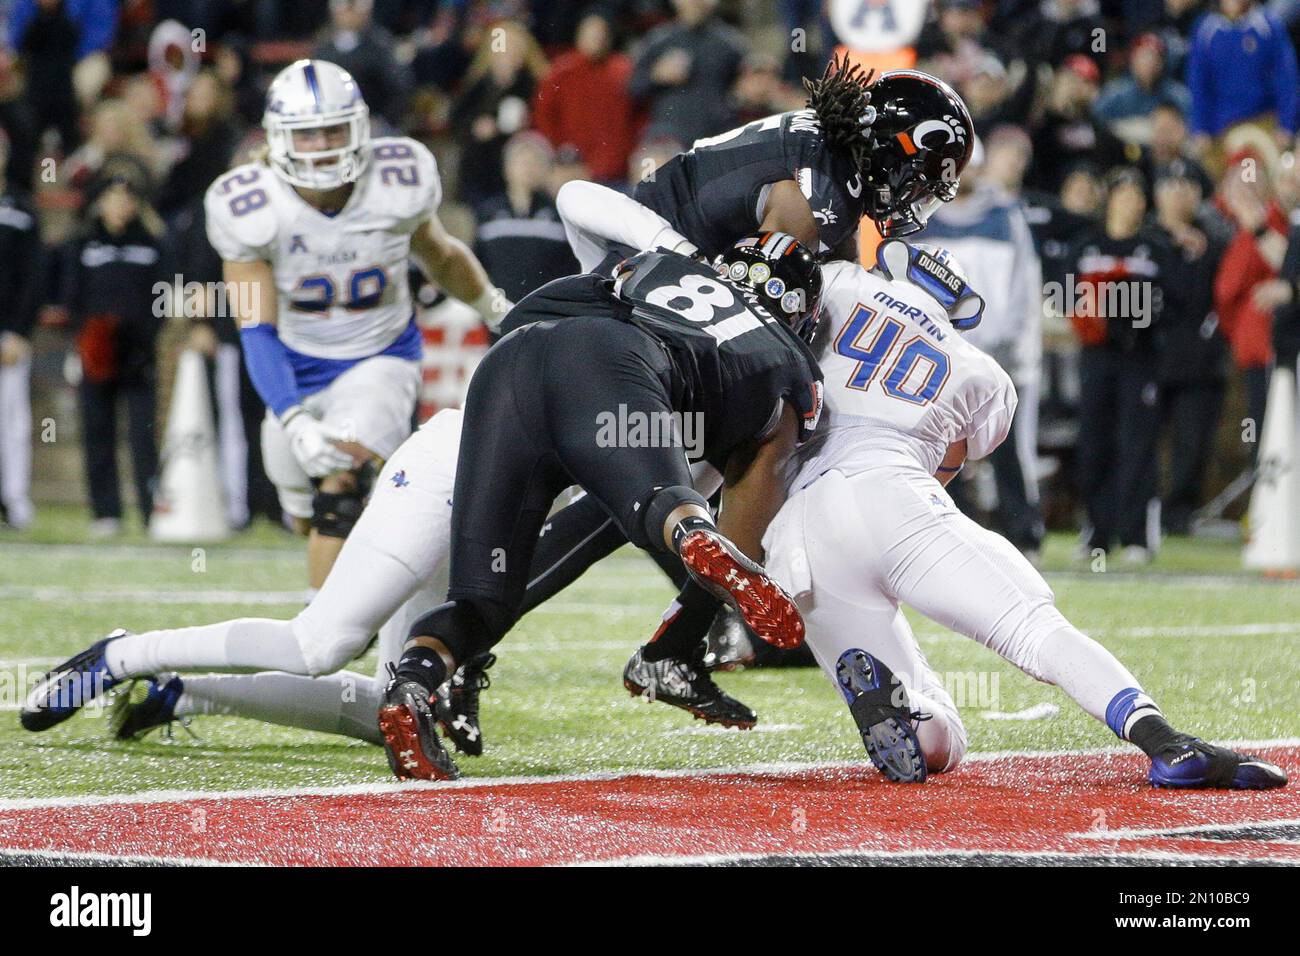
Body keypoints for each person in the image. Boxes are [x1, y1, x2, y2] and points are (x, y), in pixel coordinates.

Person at [634, 238, 1287, 791]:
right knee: (1030, 629)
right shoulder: (981, 371)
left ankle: (914, 715)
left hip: (799, 537)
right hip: (893, 489)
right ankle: (1163, 739)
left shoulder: (826, 286)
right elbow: (954, 458)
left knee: (938, 742)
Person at [379, 234, 825, 780]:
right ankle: (691, 533)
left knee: (483, 600)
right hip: (610, 362)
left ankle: (412, 685)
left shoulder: (656, 265)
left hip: (506, 368)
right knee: (668, 501)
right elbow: (756, 494)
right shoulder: (786, 355)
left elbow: (528, 311)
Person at [206, 59, 508, 589]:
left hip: (380, 356)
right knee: (302, 511)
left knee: (340, 489)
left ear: (361, 128)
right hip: (294, 365)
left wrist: (497, 308)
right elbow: (257, 329)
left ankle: (325, 636)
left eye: (334, 129)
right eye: (308, 133)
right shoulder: (249, 206)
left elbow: (439, 257)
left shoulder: (396, 181)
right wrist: (293, 418)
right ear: (278, 138)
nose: (323, 145)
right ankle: (348, 599)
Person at [625, 60, 974, 266]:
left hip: (656, 236)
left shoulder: (832, 153)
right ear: (893, 153)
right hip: (644, 262)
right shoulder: (824, 191)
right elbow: (752, 296)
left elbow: (842, 271)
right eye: (919, 185)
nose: (914, 199)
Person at [1065, 169, 1177, 562]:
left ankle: (1136, 535)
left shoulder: (1155, 248)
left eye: (1137, 196)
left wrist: (1126, 316)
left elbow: (1167, 303)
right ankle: (1096, 532)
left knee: (1137, 443)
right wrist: (1093, 316)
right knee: (1094, 442)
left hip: (1139, 358)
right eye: (1123, 194)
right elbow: (1065, 296)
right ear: (1109, 199)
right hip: (1096, 358)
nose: (1131, 203)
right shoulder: (1085, 246)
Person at [61, 155, 168, 536]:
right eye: (112, 196)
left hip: (138, 352)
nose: (119, 205)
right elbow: (71, 295)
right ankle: (105, 511)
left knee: (143, 434)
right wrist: (87, 335)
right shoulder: (84, 243)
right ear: (100, 201)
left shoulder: (152, 243)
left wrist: (146, 335)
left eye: (126, 197)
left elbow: (163, 296)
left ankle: (150, 508)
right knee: (97, 431)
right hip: (97, 350)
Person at [628, 0, 746, 147]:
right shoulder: (658, 39)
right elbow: (633, 88)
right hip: (670, 138)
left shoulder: (731, 42)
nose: (695, 3)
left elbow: (747, 89)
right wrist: (656, 75)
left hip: (717, 136)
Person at [0, 130, 42, 531]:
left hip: (7, 334)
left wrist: (18, 331)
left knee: (12, 419)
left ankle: (15, 499)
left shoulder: (20, 208)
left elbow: (33, 276)